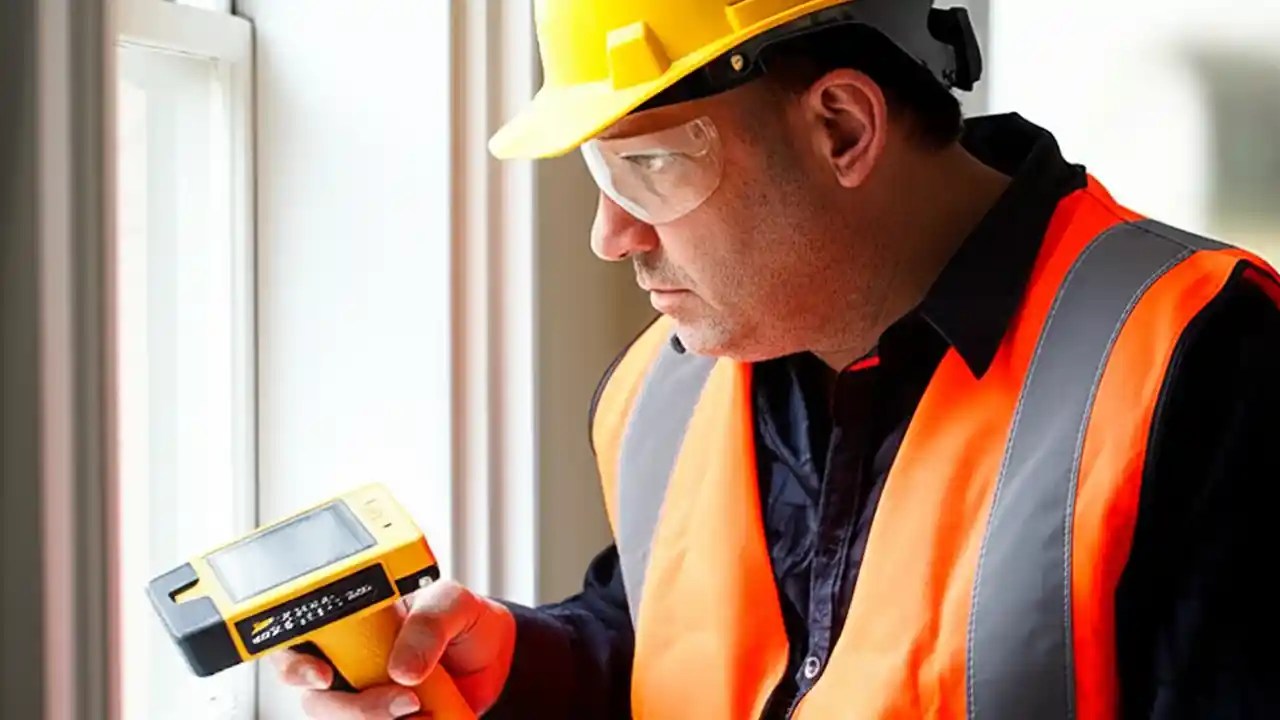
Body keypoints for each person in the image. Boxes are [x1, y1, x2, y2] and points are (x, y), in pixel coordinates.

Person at [275, 0, 1280, 717]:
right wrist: (522, 676)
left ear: (840, 126)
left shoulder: (1198, 360)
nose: (610, 234)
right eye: (597, 167)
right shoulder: (663, 388)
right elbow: (668, 648)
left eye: (649, 164)